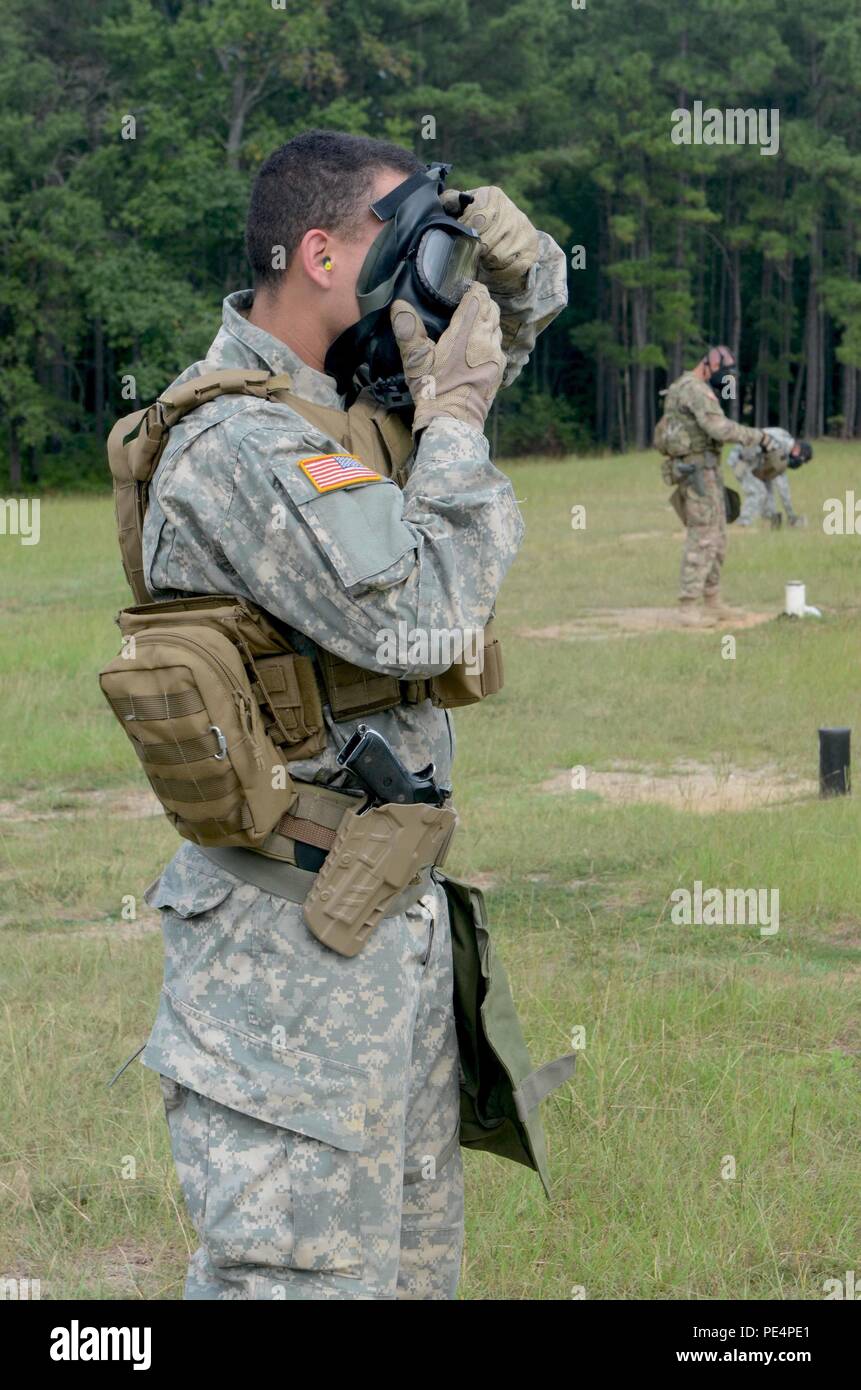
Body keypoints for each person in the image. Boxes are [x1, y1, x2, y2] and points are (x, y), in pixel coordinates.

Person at [133, 130, 567, 1300]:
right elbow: (425, 616)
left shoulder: (341, 402)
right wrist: (463, 417)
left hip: (384, 931)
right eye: (401, 232)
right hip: (288, 968)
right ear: (320, 254)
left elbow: (476, 342)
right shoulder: (239, 443)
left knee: (407, 1282)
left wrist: (517, 275)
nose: (425, 258)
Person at [657, 345, 782, 627]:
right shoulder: (694, 389)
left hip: (707, 469)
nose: (725, 379)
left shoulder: (690, 386)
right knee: (702, 535)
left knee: (718, 534)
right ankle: (688, 605)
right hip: (697, 472)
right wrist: (758, 436)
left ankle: (712, 598)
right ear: (709, 365)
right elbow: (718, 428)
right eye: (723, 373)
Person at [727, 428, 813, 528]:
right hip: (742, 460)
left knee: (768, 490)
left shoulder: (784, 440)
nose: (799, 463)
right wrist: (791, 517)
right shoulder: (780, 448)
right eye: (801, 460)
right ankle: (743, 523)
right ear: (797, 450)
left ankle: (771, 520)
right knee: (757, 492)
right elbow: (783, 490)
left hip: (755, 461)